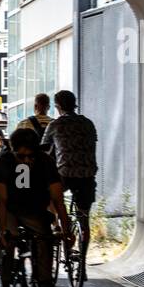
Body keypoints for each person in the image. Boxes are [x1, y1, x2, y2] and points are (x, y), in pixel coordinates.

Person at [0, 127, 75, 287]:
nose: (27, 160)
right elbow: (0, 201)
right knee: (7, 242)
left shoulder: (46, 162)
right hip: (11, 211)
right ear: (12, 151)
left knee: (45, 281)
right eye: (22, 156)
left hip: (36, 213)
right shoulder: (4, 163)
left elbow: (58, 199)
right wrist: (4, 232)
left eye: (31, 156)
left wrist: (66, 229)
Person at [41, 89, 99, 271]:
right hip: (87, 175)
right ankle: (82, 264)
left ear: (57, 107)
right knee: (84, 220)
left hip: (64, 173)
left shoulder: (55, 125)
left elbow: (43, 149)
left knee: (49, 198)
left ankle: (60, 227)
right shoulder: (88, 123)